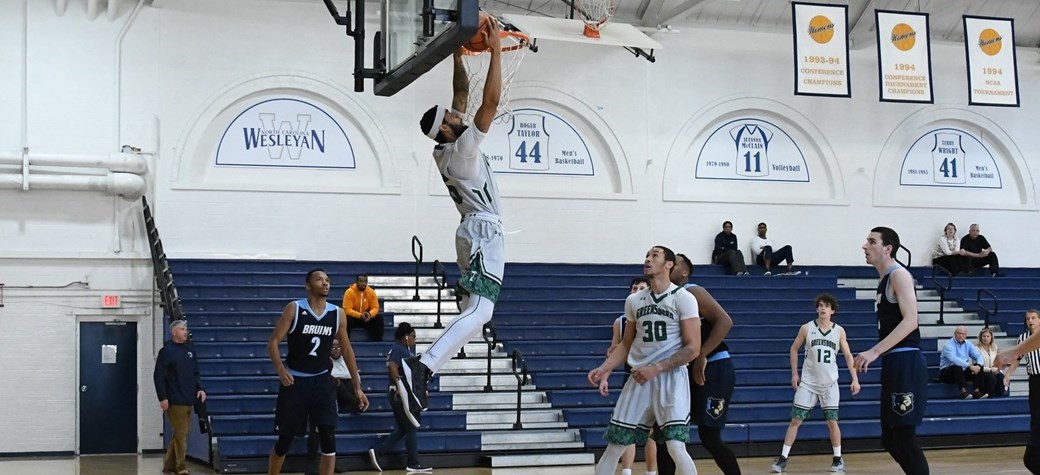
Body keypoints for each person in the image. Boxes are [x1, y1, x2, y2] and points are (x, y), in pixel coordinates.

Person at [400, 15, 504, 426]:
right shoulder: (462, 149)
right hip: (482, 230)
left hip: (471, 230)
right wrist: (494, 50)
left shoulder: (445, 147)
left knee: (476, 312)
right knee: (480, 312)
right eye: (452, 115)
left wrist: (459, 52)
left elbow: (461, 93)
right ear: (447, 126)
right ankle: (421, 368)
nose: (458, 113)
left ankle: (423, 371)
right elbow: (489, 104)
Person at [588, 246, 701, 475]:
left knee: (676, 446)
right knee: (615, 444)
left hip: (670, 378)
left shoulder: (683, 298)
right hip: (639, 378)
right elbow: (626, 344)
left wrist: (657, 367)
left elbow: (693, 348)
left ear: (669, 264)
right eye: (647, 256)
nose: (648, 259)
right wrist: (605, 367)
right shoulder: (634, 300)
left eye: (654, 256)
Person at [267, 269, 369, 475]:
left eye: (328, 280)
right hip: (295, 383)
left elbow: (347, 349)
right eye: (319, 279)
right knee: (285, 440)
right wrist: (280, 369)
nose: (325, 283)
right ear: (307, 285)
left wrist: (357, 386)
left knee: (328, 438)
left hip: (322, 382)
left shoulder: (337, 313)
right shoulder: (294, 309)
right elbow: (273, 342)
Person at [656, 253, 742, 475]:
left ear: (684, 272)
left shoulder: (692, 291)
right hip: (684, 369)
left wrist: (702, 353)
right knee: (666, 434)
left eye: (675, 261)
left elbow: (725, 321)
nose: (670, 263)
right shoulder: (664, 298)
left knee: (709, 436)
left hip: (713, 367)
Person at [853, 227, 930, 474]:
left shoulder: (900, 275)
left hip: (906, 361)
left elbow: (911, 321)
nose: (865, 246)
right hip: (894, 363)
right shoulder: (884, 280)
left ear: (888, 248)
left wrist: (874, 351)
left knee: (904, 436)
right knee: (890, 438)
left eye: (872, 241)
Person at [771, 294, 860, 473]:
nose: (823, 308)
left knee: (832, 422)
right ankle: (782, 458)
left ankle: (837, 459)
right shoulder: (806, 328)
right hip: (808, 383)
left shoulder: (839, 331)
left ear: (832, 310)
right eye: (820, 305)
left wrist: (855, 379)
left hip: (830, 384)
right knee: (796, 420)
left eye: (826, 306)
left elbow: (849, 356)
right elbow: (794, 349)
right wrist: (794, 374)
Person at [606, 277, 657, 475]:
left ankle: (651, 472)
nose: (636, 290)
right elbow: (617, 346)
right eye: (634, 288)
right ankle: (626, 471)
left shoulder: (656, 314)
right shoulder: (621, 321)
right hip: (630, 376)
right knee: (628, 427)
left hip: (653, 376)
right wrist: (612, 352)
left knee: (651, 430)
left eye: (641, 288)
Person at [368, 323, 432, 473]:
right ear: (406, 336)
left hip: (399, 394)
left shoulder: (401, 350)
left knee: (404, 428)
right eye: (413, 336)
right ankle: (413, 463)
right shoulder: (399, 350)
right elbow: (392, 366)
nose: (415, 340)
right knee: (411, 427)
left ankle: (378, 452)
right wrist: (398, 386)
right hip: (399, 394)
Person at [153, 319, 206, 475]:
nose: (185, 332)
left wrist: (200, 388)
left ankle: (169, 466)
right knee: (181, 433)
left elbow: (195, 373)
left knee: (179, 433)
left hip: (189, 397)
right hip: (175, 399)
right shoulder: (167, 351)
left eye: (186, 329)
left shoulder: (190, 350)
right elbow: (159, 376)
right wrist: (162, 397)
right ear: (174, 332)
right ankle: (180, 466)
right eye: (182, 329)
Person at [304, 340, 364, 475]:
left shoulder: (345, 360)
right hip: (317, 391)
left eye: (338, 347)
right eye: (333, 347)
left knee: (327, 430)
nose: (336, 349)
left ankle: (329, 463)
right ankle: (311, 464)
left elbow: (355, 379)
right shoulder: (318, 359)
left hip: (332, 395)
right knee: (317, 429)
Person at [994, 310, 1040, 474]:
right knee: (1035, 416)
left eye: (1033, 318)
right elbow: (1017, 359)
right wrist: (1008, 374)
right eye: (1028, 318)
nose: (1030, 321)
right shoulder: (1023, 339)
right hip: (1034, 380)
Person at [938, 325, 986, 399]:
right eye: (958, 333)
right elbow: (953, 359)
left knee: (979, 367)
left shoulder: (968, 344)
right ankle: (963, 392)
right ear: (955, 334)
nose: (960, 335)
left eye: (962, 334)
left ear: (966, 335)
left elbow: (979, 356)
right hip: (947, 373)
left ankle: (976, 392)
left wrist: (978, 365)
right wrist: (969, 366)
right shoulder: (948, 344)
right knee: (957, 367)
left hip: (962, 372)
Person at [343, 274, 384, 342]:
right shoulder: (349, 292)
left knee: (379, 319)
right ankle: (345, 343)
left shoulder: (371, 292)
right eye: (361, 281)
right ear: (356, 282)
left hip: (366, 317)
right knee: (346, 319)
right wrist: (359, 315)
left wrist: (370, 314)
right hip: (354, 318)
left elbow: (375, 308)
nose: (363, 283)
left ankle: (378, 344)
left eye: (365, 281)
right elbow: (347, 310)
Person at [976, 327, 1007, 398]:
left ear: (991, 338)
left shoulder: (994, 347)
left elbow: (997, 360)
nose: (986, 338)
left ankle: (1000, 397)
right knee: (991, 378)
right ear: (980, 337)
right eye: (983, 336)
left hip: (994, 370)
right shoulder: (976, 349)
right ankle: (990, 397)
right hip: (982, 372)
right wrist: (990, 370)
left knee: (1001, 377)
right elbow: (977, 365)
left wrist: (997, 368)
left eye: (988, 336)